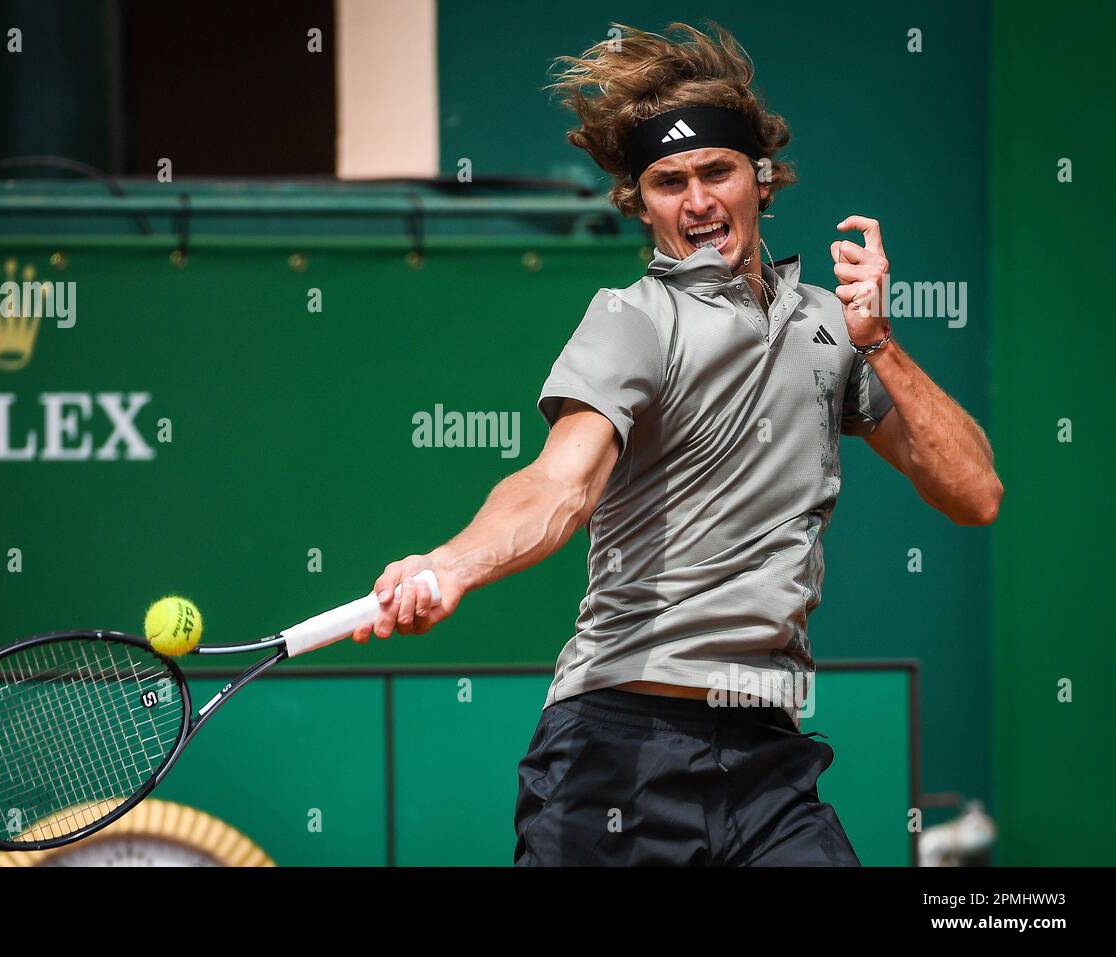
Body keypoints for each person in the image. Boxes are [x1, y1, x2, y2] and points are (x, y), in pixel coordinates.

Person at [350, 20, 1002, 865]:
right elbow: (559, 485)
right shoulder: (630, 321)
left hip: (770, 757)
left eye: (717, 172)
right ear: (641, 200)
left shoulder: (831, 329)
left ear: (760, 180)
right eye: (669, 182)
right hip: (617, 749)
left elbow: (974, 492)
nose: (696, 202)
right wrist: (453, 563)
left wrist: (878, 340)